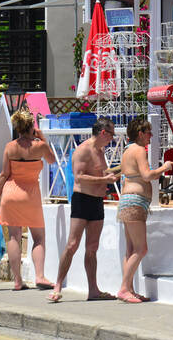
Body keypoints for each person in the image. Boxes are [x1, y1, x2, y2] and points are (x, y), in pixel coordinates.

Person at [48, 118, 121, 303]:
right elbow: (79, 177)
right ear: (103, 132)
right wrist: (104, 180)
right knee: (72, 244)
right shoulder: (83, 150)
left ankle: (93, 290)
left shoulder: (100, 151)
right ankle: (58, 285)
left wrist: (117, 172)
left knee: (92, 248)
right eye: (111, 134)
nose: (113, 138)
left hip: (97, 201)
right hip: (82, 199)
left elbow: (101, 173)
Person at [0, 109, 54, 291]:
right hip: (30, 194)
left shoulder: (10, 147)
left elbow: (4, 174)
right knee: (38, 237)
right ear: (32, 126)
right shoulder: (40, 146)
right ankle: (39, 276)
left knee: (14, 237)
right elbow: (52, 160)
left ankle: (18, 281)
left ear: (17, 127)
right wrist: (42, 138)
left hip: (11, 193)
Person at [116, 116, 173, 303]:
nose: (151, 135)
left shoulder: (127, 150)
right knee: (141, 249)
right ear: (140, 133)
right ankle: (124, 288)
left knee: (130, 249)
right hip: (135, 202)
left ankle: (129, 289)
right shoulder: (139, 150)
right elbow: (147, 175)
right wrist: (164, 167)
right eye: (149, 132)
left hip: (127, 201)